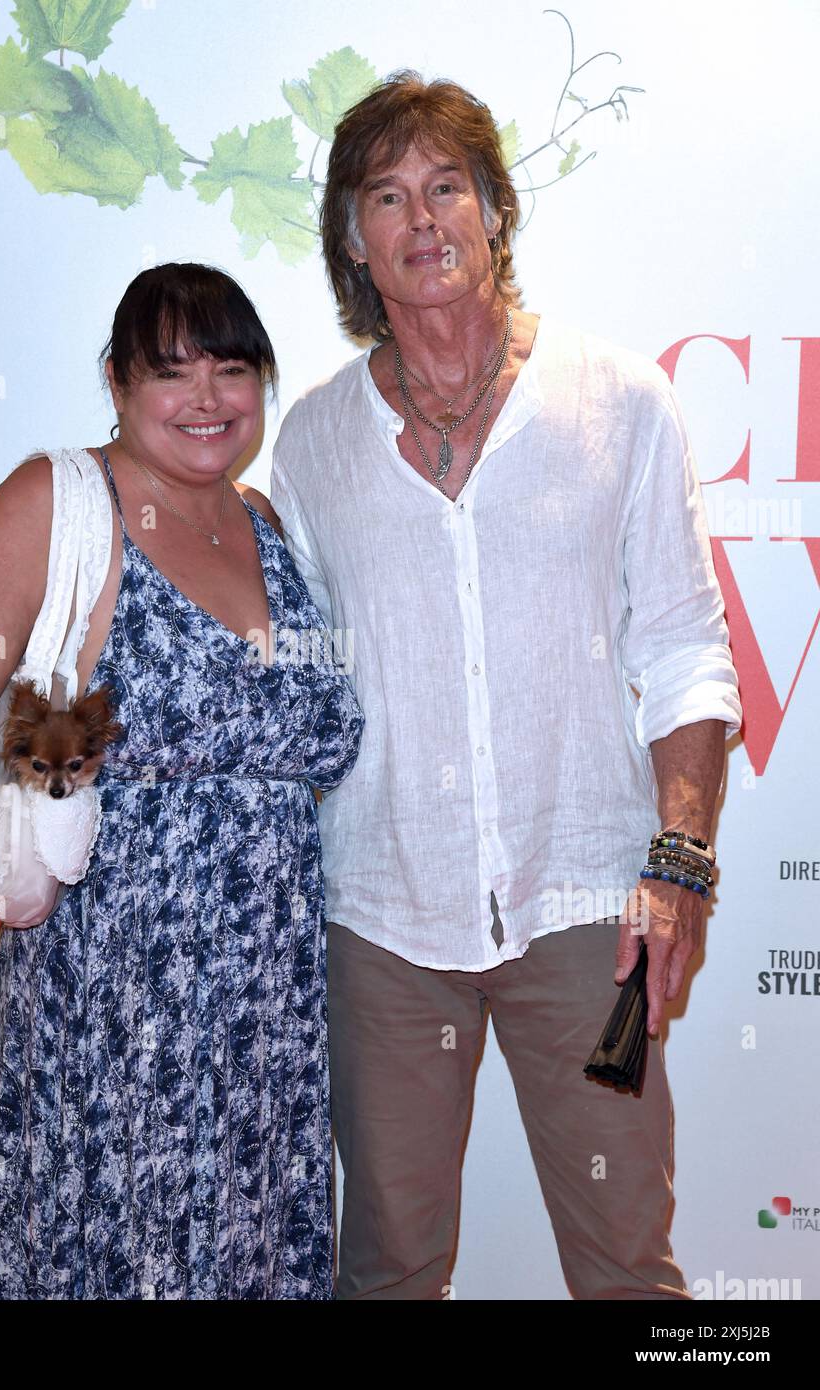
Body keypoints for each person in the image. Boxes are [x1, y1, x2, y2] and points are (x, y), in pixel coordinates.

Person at [269, 71, 743, 1300]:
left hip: (593, 912)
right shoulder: (312, 443)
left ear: (493, 211)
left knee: (627, 1265)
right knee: (383, 1271)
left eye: (444, 187)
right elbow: (304, 686)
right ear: (352, 240)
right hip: (381, 916)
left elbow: (688, 649)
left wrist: (679, 862)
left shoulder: (618, 401)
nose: (421, 219)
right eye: (385, 195)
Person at [0, 262, 365, 1299]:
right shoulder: (56, 502)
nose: (206, 399)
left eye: (232, 370)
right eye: (170, 372)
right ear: (116, 382)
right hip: (113, 999)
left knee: (247, 1252)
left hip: (265, 1013)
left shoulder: (266, 526)